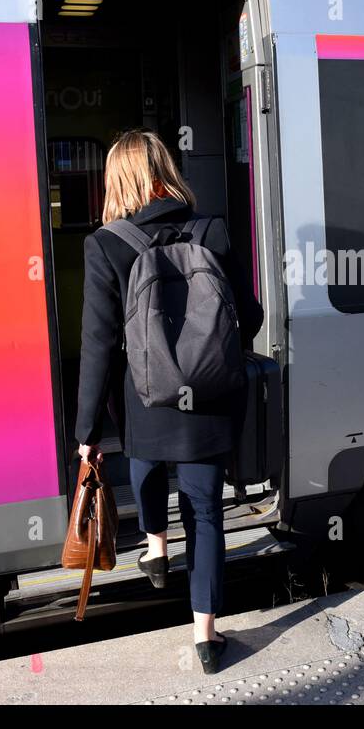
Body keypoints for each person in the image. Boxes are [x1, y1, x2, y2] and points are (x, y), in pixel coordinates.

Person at [75, 128, 263, 671]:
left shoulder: (105, 244)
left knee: (146, 465)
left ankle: (156, 548)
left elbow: (99, 346)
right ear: (165, 171)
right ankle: (206, 637)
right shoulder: (212, 229)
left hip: (144, 401)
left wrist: (87, 433)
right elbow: (246, 318)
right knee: (206, 513)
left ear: (117, 180)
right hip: (207, 398)